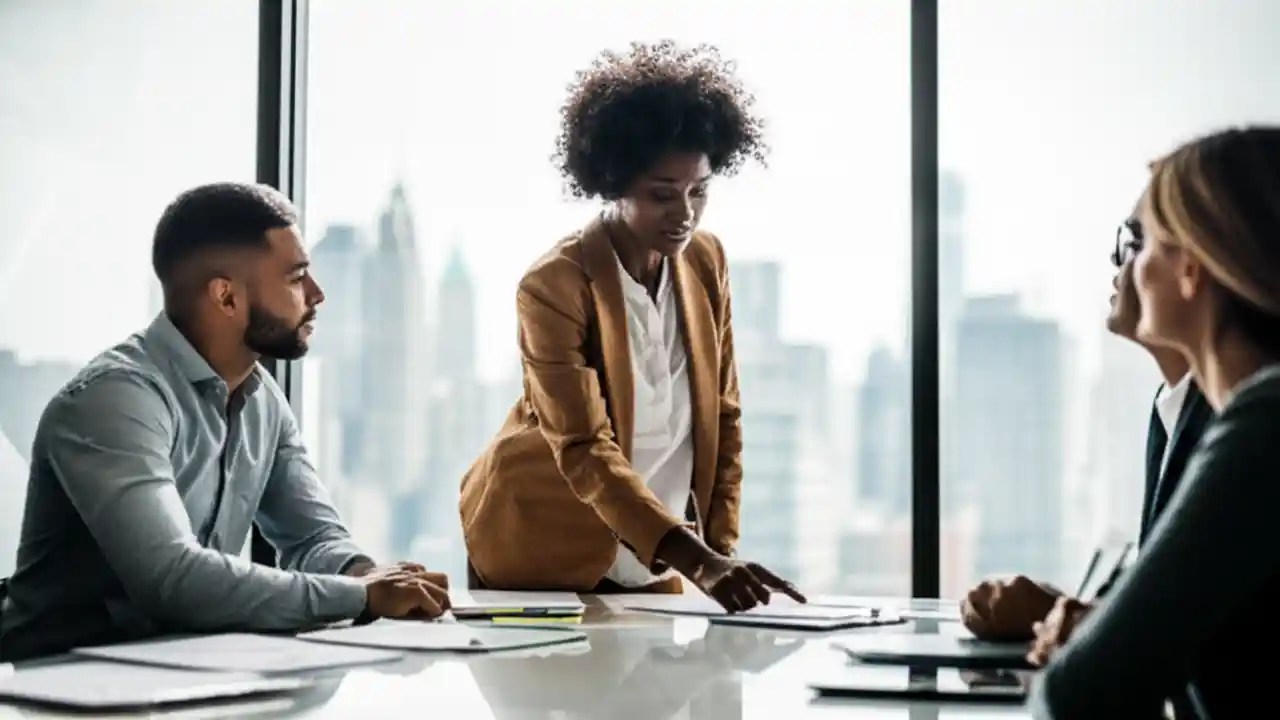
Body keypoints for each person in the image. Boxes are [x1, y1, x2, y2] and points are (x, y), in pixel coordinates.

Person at [0, 182, 450, 662]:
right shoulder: (115, 398)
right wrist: (359, 597)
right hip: (51, 687)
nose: (318, 294)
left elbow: (313, 537)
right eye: (297, 277)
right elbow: (173, 579)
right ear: (227, 298)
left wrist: (367, 574)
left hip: (179, 679)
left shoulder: (262, 399)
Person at [459, 40, 804, 612]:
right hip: (545, 544)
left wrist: (720, 554)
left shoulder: (705, 261)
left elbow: (724, 414)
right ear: (613, 185)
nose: (685, 213)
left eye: (700, 191)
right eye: (662, 194)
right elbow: (584, 447)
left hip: (660, 554)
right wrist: (701, 562)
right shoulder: (553, 285)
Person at [1027, 125, 1280, 718]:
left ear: (1191, 267)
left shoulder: (1266, 425)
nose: (1131, 266)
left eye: (1147, 245)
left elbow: (1076, 694)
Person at [960, 191, 1214, 642]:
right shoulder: (1172, 410)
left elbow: (1188, 634)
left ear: (1195, 265)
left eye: (1135, 240)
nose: (1115, 259)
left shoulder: (1242, 430)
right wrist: (1069, 612)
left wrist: (1067, 619)